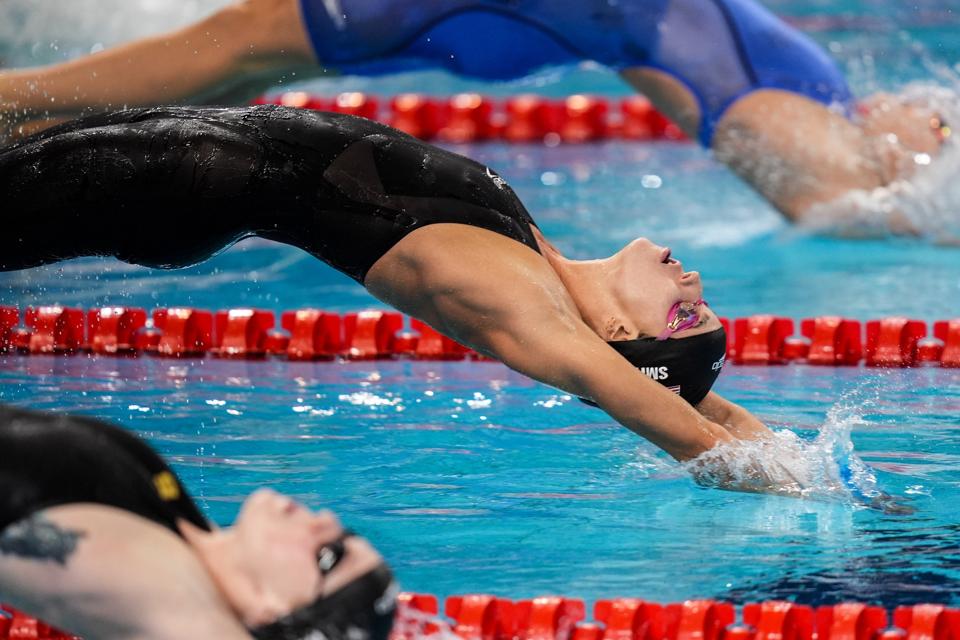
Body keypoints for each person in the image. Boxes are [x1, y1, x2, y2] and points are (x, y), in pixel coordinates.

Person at [1, 104, 800, 494]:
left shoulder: (524, 310)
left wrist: (819, 508)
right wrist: (798, 453)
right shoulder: (534, 259)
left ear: (621, 332)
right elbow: (702, 408)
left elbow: (665, 416)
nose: (692, 282)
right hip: (190, 154)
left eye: (687, 314)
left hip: (177, 177)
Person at [0, 0, 950, 231]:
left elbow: (841, 210)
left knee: (203, 74)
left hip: (500, 15)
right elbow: (859, 212)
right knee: (190, 75)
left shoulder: (797, 104)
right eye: (944, 120)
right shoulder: (791, 102)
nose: (942, 119)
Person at [0, 404, 399, 640]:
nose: (328, 520)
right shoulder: (189, 536)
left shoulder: (166, 593)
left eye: (330, 555)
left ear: (273, 609)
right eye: (349, 534)